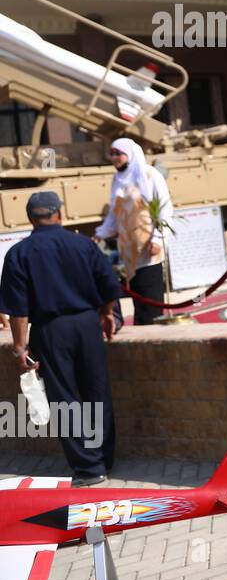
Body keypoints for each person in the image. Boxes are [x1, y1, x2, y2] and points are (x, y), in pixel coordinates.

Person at [1, 191, 120, 486]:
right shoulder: (83, 245)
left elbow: (18, 309)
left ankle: (89, 468)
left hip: (50, 330)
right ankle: (104, 457)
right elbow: (110, 284)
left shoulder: (19, 253)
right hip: (86, 324)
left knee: (64, 397)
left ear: (30, 218)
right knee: (97, 389)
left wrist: (19, 347)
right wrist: (106, 314)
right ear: (60, 214)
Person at [94, 138, 172, 326]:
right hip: (129, 249)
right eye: (111, 154)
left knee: (150, 294)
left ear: (130, 154)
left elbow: (164, 208)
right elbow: (115, 214)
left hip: (148, 246)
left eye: (118, 153)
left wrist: (158, 239)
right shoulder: (118, 179)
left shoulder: (150, 174)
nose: (114, 158)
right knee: (137, 293)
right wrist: (101, 234)